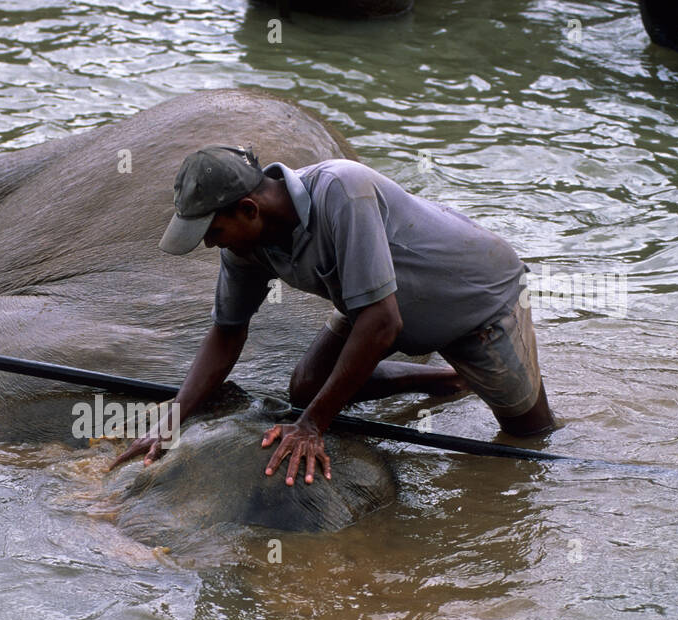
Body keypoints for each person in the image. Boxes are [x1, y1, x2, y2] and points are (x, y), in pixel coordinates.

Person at [110, 145, 555, 485]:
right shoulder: (244, 245)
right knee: (306, 388)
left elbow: (383, 323)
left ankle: (469, 371)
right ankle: (447, 379)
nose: (210, 245)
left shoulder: (343, 190)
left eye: (213, 232)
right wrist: (174, 418)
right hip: (377, 305)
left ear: (249, 209)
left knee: (530, 438)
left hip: (476, 300)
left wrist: (311, 427)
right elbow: (227, 332)